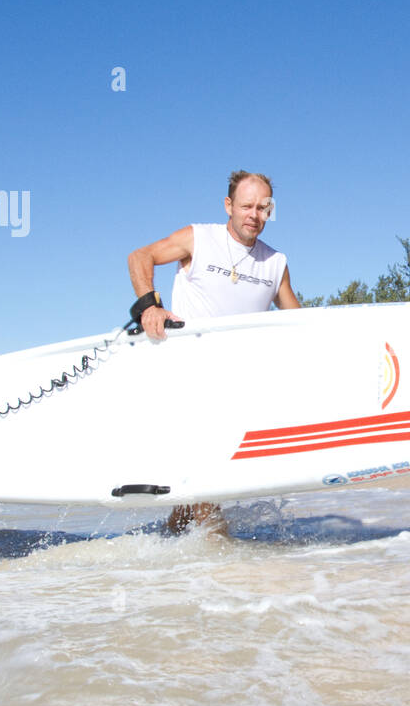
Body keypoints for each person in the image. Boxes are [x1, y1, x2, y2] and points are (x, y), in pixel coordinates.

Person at [126, 170, 301, 533]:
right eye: (246, 206)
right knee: (208, 479)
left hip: (238, 385)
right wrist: (149, 306)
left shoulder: (275, 263)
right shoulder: (198, 238)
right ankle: (222, 555)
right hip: (188, 374)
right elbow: (140, 255)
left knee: (195, 498)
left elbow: (299, 324)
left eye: (263, 208)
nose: (255, 215)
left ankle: (165, 551)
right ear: (229, 206)